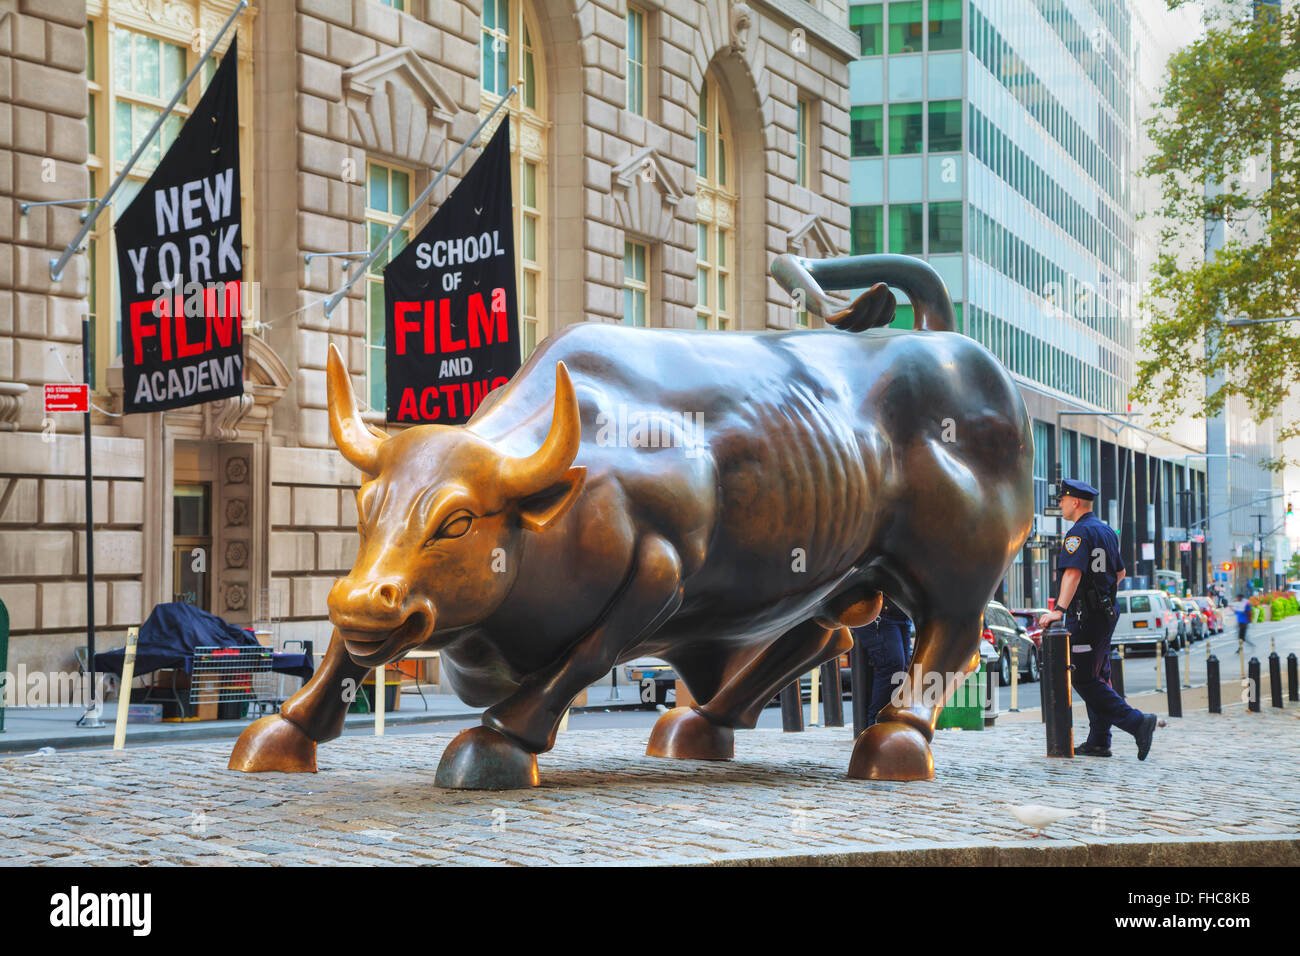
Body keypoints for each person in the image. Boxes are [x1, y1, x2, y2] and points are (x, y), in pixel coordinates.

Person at [1039, 478, 1158, 760]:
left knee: (1082, 678)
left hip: (1085, 616)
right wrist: (1102, 591)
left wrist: (1059, 609)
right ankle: (1099, 741)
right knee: (1099, 675)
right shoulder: (1105, 531)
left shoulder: (1077, 534)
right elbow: (1120, 573)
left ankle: (1138, 723)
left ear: (1075, 502)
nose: (1061, 504)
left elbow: (1072, 573)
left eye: (1063, 500)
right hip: (1104, 613)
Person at [851, 595, 912, 727]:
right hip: (878, 612)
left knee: (904, 671)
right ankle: (876, 726)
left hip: (901, 612)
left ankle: (890, 725)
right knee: (893, 666)